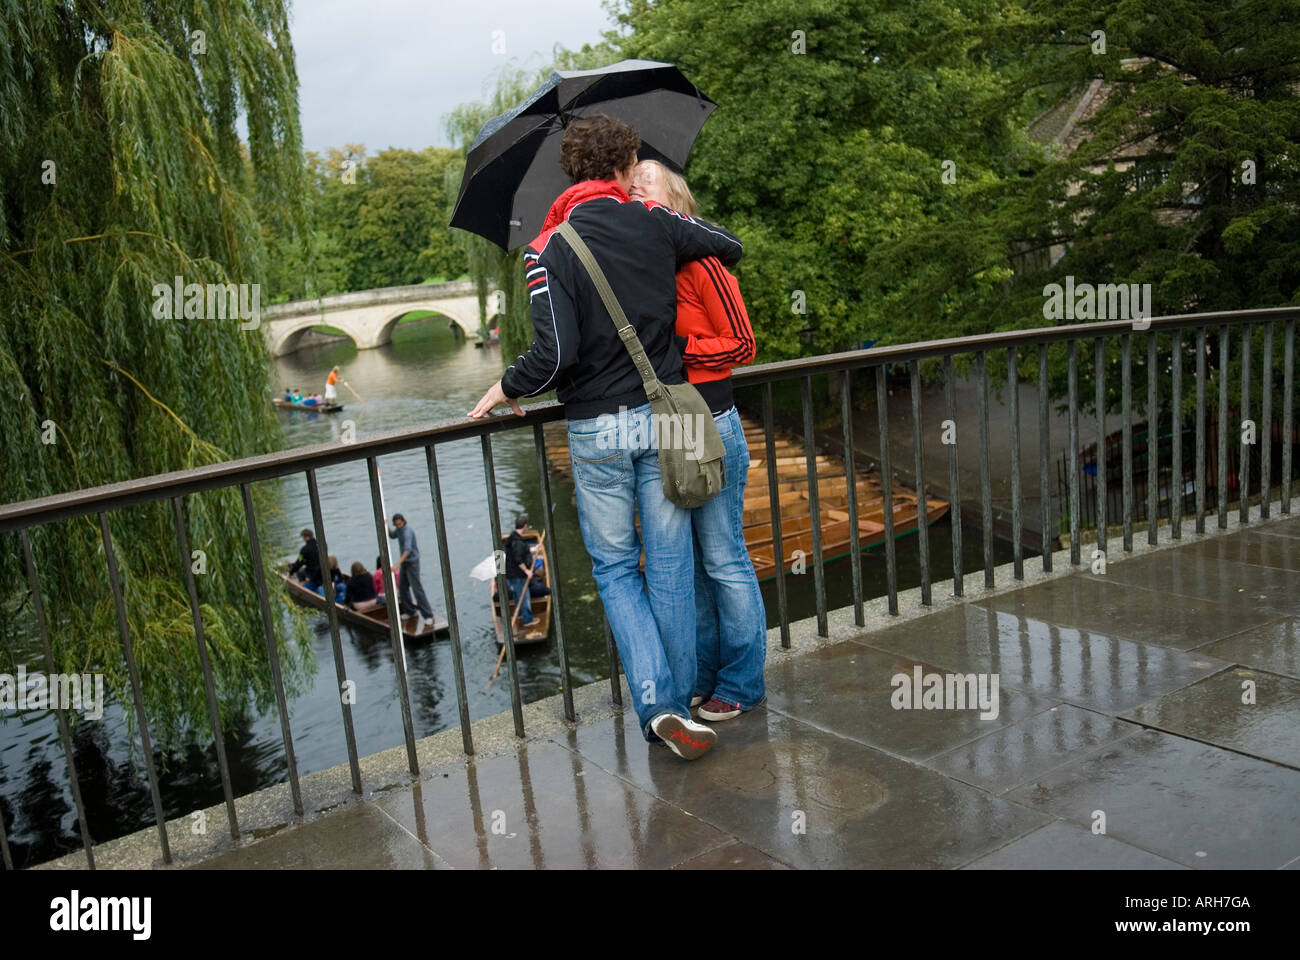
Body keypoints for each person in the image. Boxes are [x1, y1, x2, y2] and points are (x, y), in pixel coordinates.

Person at [467, 114, 744, 761]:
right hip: (668, 415)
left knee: (618, 571)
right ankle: (681, 703)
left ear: (570, 171)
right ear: (624, 166)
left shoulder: (547, 249)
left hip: (600, 427)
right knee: (671, 570)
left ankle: (661, 705)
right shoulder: (654, 222)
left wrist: (504, 388)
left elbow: (554, 355)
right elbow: (726, 244)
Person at [630, 160, 766, 723]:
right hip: (671, 426)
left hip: (713, 419)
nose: (636, 181)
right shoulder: (641, 268)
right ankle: (706, 676)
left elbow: (742, 344)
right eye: (630, 178)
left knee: (724, 557)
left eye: (649, 176)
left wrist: (675, 357)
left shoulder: (703, 260)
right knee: (692, 567)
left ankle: (742, 681)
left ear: (677, 198)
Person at [387, 514, 434, 625]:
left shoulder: (407, 532)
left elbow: (407, 550)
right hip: (405, 563)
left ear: (403, 521)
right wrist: (386, 526)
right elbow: (392, 535)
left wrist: (397, 564)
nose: (398, 526)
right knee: (403, 587)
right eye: (396, 525)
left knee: (417, 589)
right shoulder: (398, 530)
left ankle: (428, 615)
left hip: (412, 563)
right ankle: (410, 611)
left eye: (400, 524)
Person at [503, 514, 536, 626]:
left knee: (518, 596)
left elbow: (519, 552)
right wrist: (527, 571)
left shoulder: (513, 538)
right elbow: (518, 559)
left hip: (512, 574)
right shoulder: (517, 542)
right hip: (517, 575)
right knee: (524, 596)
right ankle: (527, 620)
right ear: (525, 526)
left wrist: (533, 549)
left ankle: (521, 615)